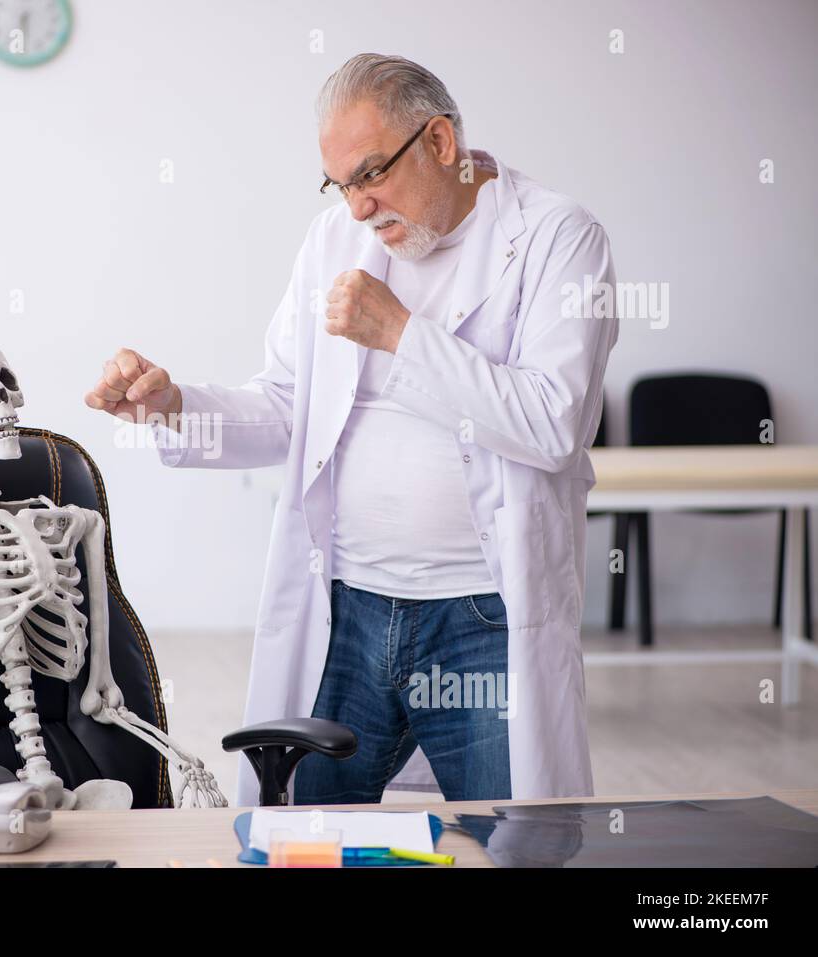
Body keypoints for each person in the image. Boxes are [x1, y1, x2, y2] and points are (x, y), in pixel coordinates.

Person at [84, 53, 619, 806]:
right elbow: (282, 409)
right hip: (347, 608)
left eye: (372, 174)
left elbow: (552, 423)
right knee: (302, 830)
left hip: (482, 618)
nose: (359, 208)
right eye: (341, 185)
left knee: (515, 838)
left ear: (440, 143)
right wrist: (175, 407)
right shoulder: (334, 243)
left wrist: (401, 333)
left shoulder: (560, 239)